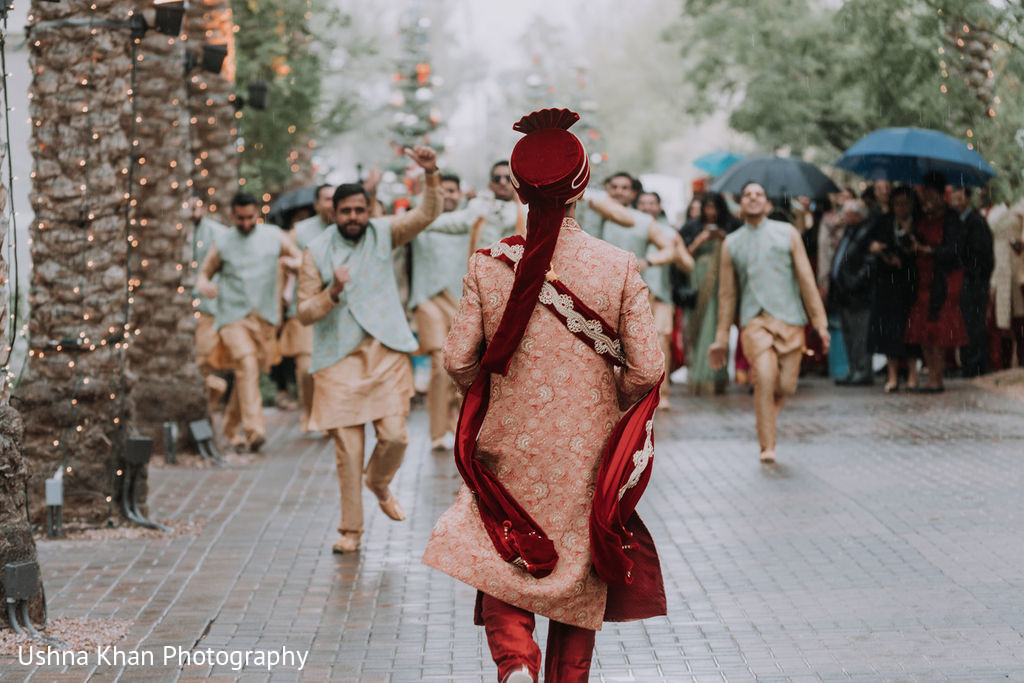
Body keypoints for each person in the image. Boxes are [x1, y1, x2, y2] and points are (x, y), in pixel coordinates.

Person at [423, 109, 666, 683]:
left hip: (507, 442)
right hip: (589, 444)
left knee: (508, 553)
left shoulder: (488, 265)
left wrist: (494, 391)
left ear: (517, 187)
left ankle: (515, 664)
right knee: (579, 567)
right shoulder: (619, 265)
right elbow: (649, 366)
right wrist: (610, 396)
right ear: (582, 187)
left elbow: (457, 360)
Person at [296, 146, 442, 554]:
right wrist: (333, 292)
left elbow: (426, 215)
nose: (355, 218)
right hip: (338, 361)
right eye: (347, 212)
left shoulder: (383, 232)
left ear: (367, 209)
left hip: (387, 351)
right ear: (333, 213)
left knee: (396, 436)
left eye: (360, 210)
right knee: (348, 450)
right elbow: (304, 312)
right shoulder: (316, 252)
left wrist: (431, 175)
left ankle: (378, 482)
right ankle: (351, 530)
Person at [709, 182, 829, 464]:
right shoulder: (731, 243)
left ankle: (766, 420)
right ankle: (767, 445)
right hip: (754, 321)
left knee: (786, 386)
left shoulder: (787, 234)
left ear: (767, 203)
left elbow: (806, 281)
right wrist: (722, 339)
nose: (752, 198)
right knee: (764, 376)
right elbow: (726, 295)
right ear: (740, 204)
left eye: (758, 194)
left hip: (790, 319)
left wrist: (820, 324)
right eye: (747, 194)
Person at [196, 193, 302, 452]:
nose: (245, 223)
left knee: (248, 372)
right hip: (232, 316)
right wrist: (205, 285)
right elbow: (203, 273)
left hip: (265, 317)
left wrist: (293, 263)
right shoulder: (222, 241)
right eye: (240, 218)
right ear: (232, 215)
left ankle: (231, 431)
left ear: (258, 214)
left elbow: (301, 259)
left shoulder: (275, 236)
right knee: (246, 363)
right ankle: (255, 430)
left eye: (250, 218)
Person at [599, 172, 693, 409]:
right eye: (644, 203)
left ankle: (662, 393)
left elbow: (684, 262)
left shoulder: (664, 230)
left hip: (658, 294)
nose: (647, 207)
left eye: (652, 203)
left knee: (660, 343)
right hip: (615, 292)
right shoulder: (602, 217)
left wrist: (652, 259)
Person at [407, 172, 475, 450]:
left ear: (460, 194)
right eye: (442, 191)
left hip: (462, 301)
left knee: (461, 367)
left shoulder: (471, 222)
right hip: (428, 299)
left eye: (452, 191)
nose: (447, 195)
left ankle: (458, 428)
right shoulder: (419, 219)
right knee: (438, 365)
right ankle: (437, 433)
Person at [277, 183, 335, 432]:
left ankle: (327, 418)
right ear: (316, 204)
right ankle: (307, 412)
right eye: (327, 199)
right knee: (305, 369)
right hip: (305, 308)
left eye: (335, 199)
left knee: (329, 370)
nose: (331, 204)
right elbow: (283, 259)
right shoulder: (299, 231)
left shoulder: (345, 229)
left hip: (335, 308)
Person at [903, 172, 968, 392]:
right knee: (921, 329)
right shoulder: (920, 217)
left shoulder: (952, 219)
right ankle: (930, 373)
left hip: (943, 280)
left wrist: (930, 250)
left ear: (942, 195)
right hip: (922, 279)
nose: (928, 200)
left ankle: (937, 377)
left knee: (937, 329)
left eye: (932, 196)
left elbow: (956, 251)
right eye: (925, 196)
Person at [680, 192, 741, 394]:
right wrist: (699, 240)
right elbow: (682, 256)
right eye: (707, 207)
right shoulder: (691, 227)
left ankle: (716, 375)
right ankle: (697, 374)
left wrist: (723, 237)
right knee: (697, 326)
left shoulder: (732, 226)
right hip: (698, 281)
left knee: (716, 324)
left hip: (721, 283)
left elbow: (739, 253)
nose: (711, 212)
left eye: (715, 208)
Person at [867, 186, 920, 391]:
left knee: (910, 331)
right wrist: (879, 251)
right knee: (889, 331)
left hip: (909, 283)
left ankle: (913, 375)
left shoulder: (917, 223)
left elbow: (919, 249)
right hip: (887, 285)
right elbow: (871, 242)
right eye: (897, 203)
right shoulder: (884, 221)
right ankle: (892, 376)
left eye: (905, 203)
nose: (901, 207)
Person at [829, 200, 876, 386]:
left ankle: (863, 370)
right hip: (843, 292)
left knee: (860, 335)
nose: (844, 217)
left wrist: (855, 282)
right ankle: (853, 368)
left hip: (858, 294)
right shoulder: (849, 232)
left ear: (858, 216)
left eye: (847, 214)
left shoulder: (865, 233)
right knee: (848, 334)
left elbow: (868, 263)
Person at [949, 185, 994, 377]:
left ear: (967, 199)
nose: (957, 203)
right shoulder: (960, 221)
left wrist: (971, 272)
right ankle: (969, 363)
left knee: (974, 324)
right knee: (966, 323)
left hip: (974, 281)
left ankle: (976, 364)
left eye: (960, 199)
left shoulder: (975, 222)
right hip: (965, 279)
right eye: (954, 199)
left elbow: (981, 255)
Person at [988, 194, 1024, 368]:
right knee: (1001, 322)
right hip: (999, 268)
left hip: (1017, 269)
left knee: (1018, 320)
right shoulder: (994, 212)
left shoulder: (1019, 210)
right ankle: (1002, 362)